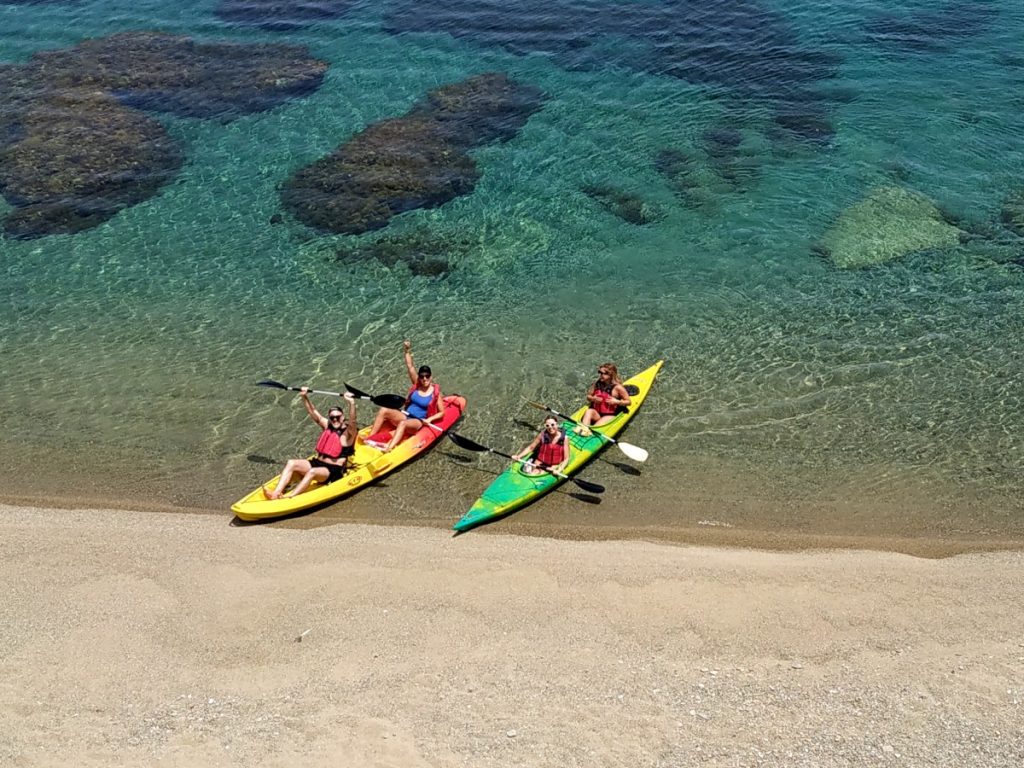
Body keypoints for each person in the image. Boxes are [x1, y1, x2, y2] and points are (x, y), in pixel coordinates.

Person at [264, 388, 357, 500]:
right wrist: (304, 396)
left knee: (312, 472)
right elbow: (313, 411)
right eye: (332, 417)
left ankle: (289, 497)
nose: (335, 420)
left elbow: (352, 422)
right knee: (291, 463)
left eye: (338, 417)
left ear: (342, 417)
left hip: (333, 470)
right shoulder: (327, 425)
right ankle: (276, 493)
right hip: (317, 462)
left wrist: (351, 403)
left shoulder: (348, 433)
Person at [367, 339, 446, 452]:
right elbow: (410, 366)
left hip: (417, 421)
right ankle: (370, 438)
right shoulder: (416, 384)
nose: (424, 379)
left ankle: (389, 448)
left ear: (431, 377)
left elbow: (442, 413)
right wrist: (406, 350)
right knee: (384, 410)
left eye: (427, 376)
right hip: (405, 415)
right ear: (419, 377)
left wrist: (430, 419)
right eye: (422, 376)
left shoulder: (435, 393)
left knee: (403, 424)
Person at [576, 362, 631, 435]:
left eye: (603, 373)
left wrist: (617, 402)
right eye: (600, 373)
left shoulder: (618, 388)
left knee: (594, 430)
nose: (601, 375)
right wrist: (593, 399)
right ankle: (583, 431)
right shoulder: (597, 383)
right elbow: (588, 396)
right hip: (597, 413)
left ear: (611, 374)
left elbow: (628, 402)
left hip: (609, 415)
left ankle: (590, 434)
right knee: (589, 411)